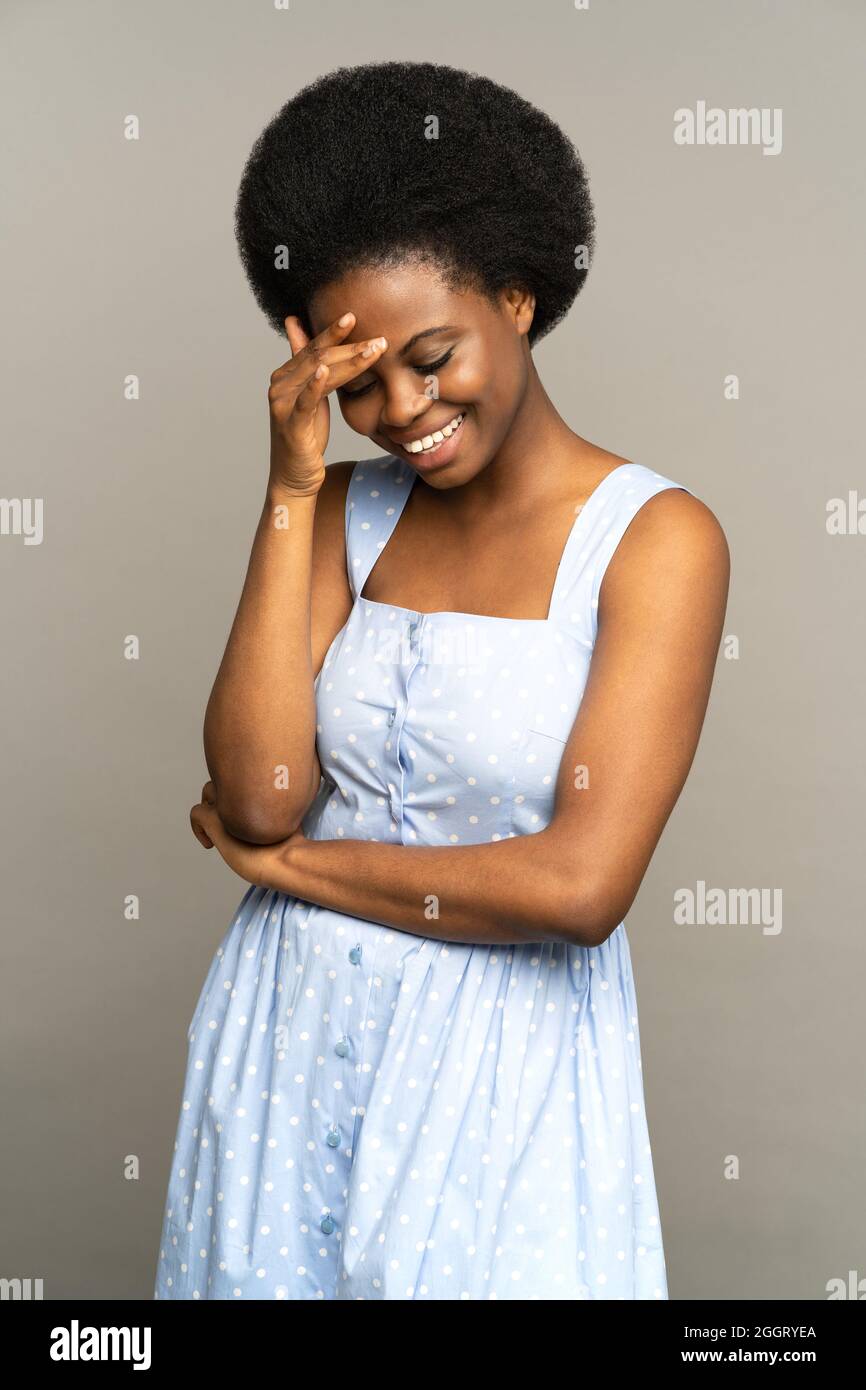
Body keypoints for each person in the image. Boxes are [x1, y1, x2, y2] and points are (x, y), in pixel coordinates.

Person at [154, 60, 729, 1301]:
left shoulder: (653, 541)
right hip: (286, 1038)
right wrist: (291, 488)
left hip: (501, 1070)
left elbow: (577, 888)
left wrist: (294, 871)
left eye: (429, 356)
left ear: (516, 298)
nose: (399, 409)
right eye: (355, 382)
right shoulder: (337, 516)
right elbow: (255, 795)